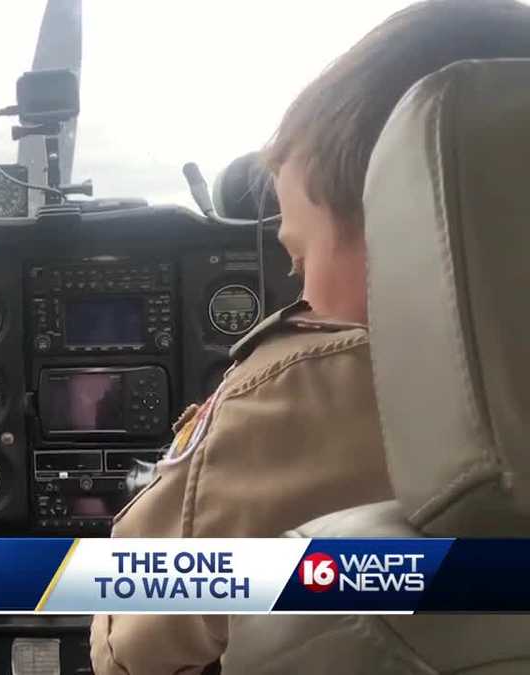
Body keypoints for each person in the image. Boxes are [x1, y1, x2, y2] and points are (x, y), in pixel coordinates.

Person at [90, 1, 530, 673]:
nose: (299, 294)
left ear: (411, 227)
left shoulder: (312, 387)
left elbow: (127, 645)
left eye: (300, 258)